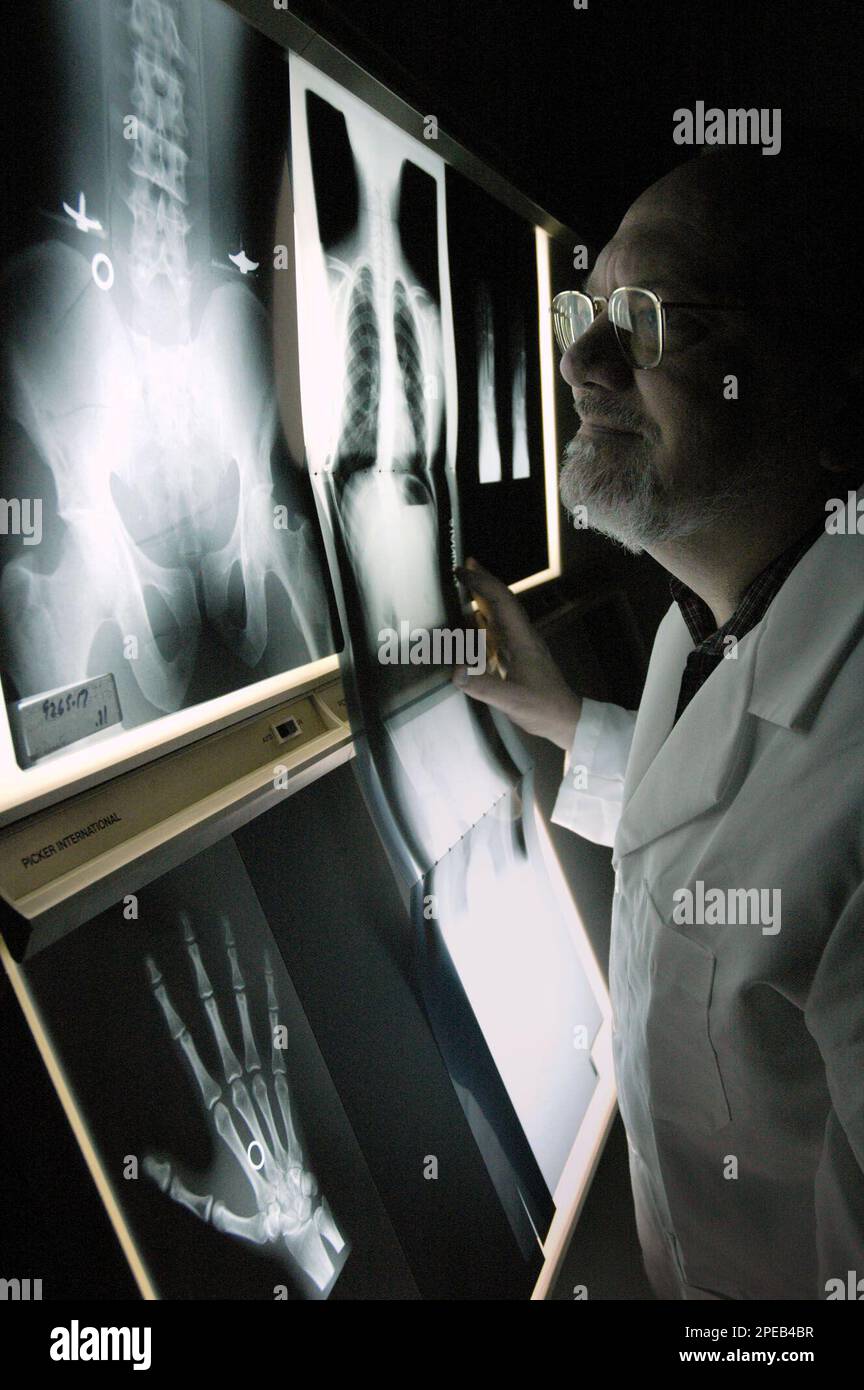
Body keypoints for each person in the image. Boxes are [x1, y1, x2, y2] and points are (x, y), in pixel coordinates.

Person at [452, 135, 864, 1300]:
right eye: (584, 309)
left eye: (647, 316)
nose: (580, 360)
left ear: (829, 366)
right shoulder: (714, 623)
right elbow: (741, 830)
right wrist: (573, 724)